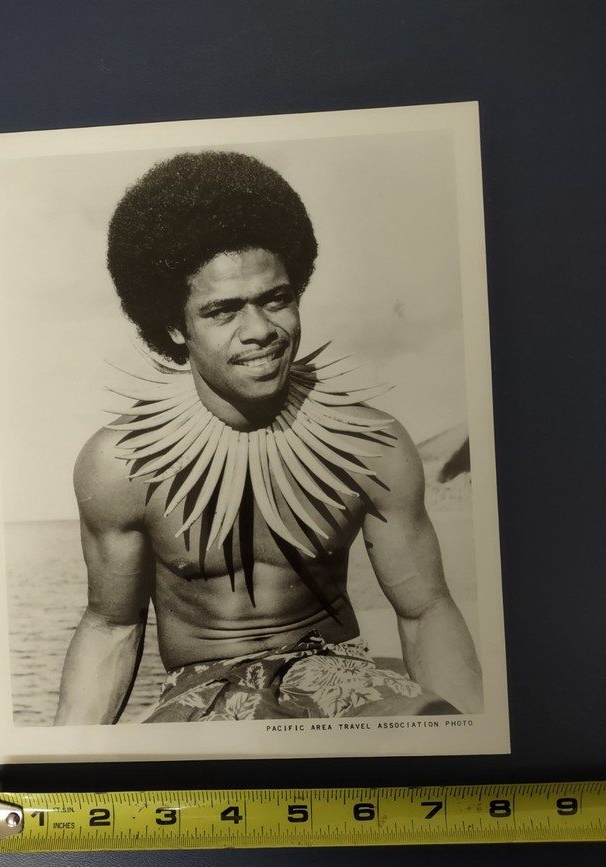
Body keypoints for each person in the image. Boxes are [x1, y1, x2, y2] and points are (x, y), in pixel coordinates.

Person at [54, 151, 483, 725]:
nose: (261, 331)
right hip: (200, 699)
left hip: (343, 680)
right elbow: (111, 625)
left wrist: (473, 742)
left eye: (276, 299)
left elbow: (426, 610)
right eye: (223, 310)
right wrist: (59, 772)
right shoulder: (121, 466)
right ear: (176, 326)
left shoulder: (370, 445)